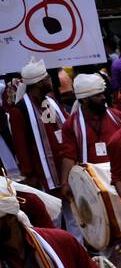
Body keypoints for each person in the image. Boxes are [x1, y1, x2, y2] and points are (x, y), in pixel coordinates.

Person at [8, 58, 67, 197]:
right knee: (55, 215)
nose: (50, 79)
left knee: (72, 213)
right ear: (39, 83)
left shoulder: (52, 101)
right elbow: (20, 145)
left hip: (63, 164)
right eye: (47, 78)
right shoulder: (19, 110)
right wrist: (29, 174)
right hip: (42, 170)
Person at [59, 74, 121, 173]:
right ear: (85, 99)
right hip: (92, 180)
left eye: (102, 93)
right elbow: (69, 156)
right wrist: (65, 184)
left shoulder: (116, 116)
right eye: (98, 95)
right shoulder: (71, 125)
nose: (103, 97)